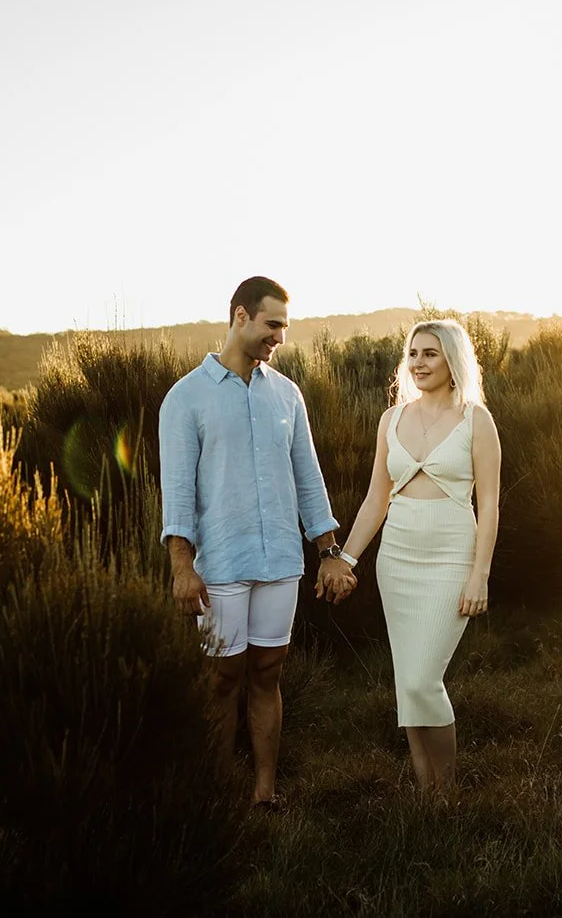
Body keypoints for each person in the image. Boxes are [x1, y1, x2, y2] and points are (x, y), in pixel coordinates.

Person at [158, 275, 358, 808]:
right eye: (273, 324)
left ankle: (264, 792)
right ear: (240, 316)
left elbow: (308, 479)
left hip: (281, 563)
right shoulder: (185, 398)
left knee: (268, 674)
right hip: (221, 564)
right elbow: (177, 493)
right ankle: (221, 795)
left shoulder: (286, 394)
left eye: (285, 327)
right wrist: (182, 568)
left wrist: (328, 553)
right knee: (222, 680)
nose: (280, 338)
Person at [338, 319, 502, 794]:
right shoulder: (391, 419)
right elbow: (376, 499)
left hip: (451, 559)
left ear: (453, 360)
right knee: (408, 679)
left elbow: (490, 504)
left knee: (423, 680)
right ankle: (426, 794)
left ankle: (447, 794)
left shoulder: (476, 420)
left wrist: (480, 575)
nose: (418, 363)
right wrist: (346, 559)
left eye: (430, 353)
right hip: (397, 560)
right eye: (412, 353)